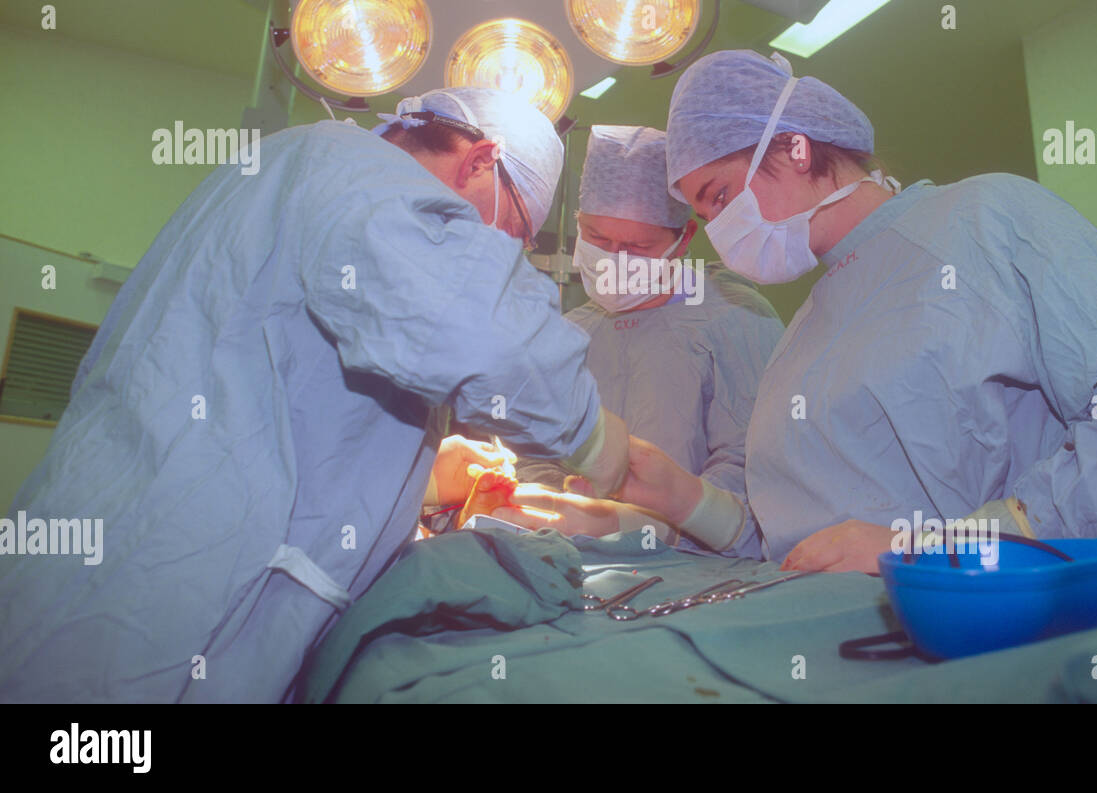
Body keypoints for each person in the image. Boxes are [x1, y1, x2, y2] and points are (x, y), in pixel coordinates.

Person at [0, 88, 629, 702]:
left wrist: (423, 480)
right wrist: (600, 443)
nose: (506, 254)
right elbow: (489, 338)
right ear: (478, 162)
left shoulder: (298, 170)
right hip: (164, 585)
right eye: (515, 233)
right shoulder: (354, 169)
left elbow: (289, 393)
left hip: (129, 544)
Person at [624, 48, 1097, 573]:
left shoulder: (990, 219)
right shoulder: (802, 337)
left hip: (986, 650)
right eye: (704, 217)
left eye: (721, 196)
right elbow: (799, 545)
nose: (717, 231)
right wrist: (681, 499)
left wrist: (938, 551)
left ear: (794, 148)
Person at [458, 126, 784, 557]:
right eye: (598, 238)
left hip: (706, 570)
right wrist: (555, 505)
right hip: (574, 565)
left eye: (637, 245)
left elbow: (756, 472)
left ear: (683, 239)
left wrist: (654, 525)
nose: (615, 258)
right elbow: (532, 453)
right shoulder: (571, 331)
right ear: (577, 223)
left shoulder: (735, 319)